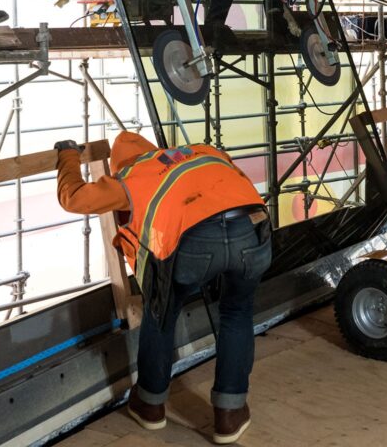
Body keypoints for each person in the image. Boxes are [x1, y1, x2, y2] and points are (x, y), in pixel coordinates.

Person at [54, 132, 272, 445]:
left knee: (162, 312)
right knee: (237, 313)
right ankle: (230, 416)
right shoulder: (201, 152)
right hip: (253, 228)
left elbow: (74, 197)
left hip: (195, 243)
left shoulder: (132, 175)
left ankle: (150, 405)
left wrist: (68, 155)